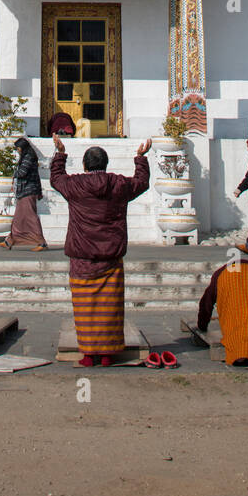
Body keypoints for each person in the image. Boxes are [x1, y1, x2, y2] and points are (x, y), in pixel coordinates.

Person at [50, 133, 151, 366]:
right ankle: (107, 354)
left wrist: (60, 153)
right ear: (106, 164)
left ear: (84, 165)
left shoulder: (75, 185)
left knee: (85, 309)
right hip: (110, 258)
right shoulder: (118, 185)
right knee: (109, 308)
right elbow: (141, 183)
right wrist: (140, 158)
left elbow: (56, 179)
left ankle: (88, 354)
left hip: (82, 257)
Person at [197, 257, 248, 365]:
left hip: (229, 278)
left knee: (233, 324)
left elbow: (207, 302)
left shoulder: (221, 273)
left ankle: (240, 354)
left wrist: (202, 325)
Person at [0, 137, 48, 251]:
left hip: (28, 191)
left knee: (31, 217)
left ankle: (41, 242)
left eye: (19, 148)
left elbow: (22, 172)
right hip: (24, 191)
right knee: (18, 219)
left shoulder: (28, 157)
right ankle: (10, 240)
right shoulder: (27, 156)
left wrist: (13, 173)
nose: (18, 151)